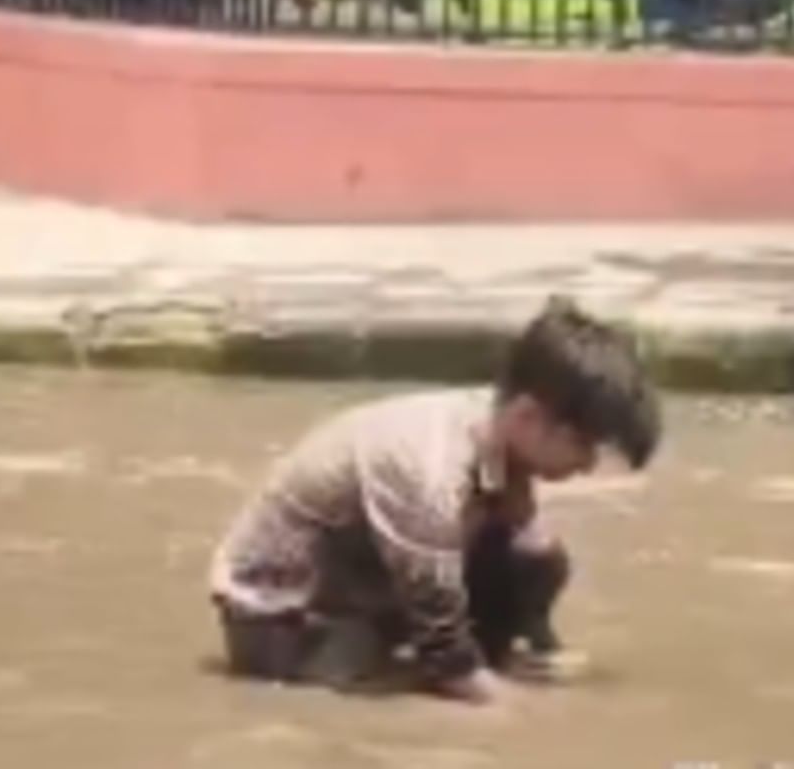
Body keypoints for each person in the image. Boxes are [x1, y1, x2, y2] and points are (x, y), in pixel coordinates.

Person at [207, 296, 661, 704]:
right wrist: (517, 716)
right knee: (390, 684)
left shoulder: (496, 426)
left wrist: (540, 646)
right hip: (281, 615)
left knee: (538, 560)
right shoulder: (429, 475)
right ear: (528, 418)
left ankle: (499, 656)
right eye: (584, 445)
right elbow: (444, 648)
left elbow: (524, 545)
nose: (587, 465)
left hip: (369, 569)